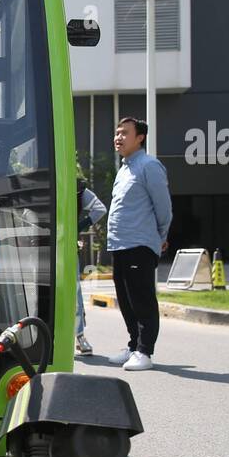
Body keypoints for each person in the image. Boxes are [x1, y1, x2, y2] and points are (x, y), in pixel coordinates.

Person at [106, 117, 172, 371]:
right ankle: (134, 346)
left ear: (140, 137)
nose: (118, 137)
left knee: (142, 300)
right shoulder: (124, 168)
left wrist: (160, 236)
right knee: (126, 300)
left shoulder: (149, 165)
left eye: (124, 133)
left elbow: (163, 206)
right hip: (119, 245)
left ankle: (145, 352)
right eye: (117, 133)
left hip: (139, 244)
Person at [75, 178, 107, 355]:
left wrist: (79, 226)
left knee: (74, 293)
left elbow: (100, 209)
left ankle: (79, 336)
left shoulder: (78, 189)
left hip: (67, 247)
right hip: (43, 245)